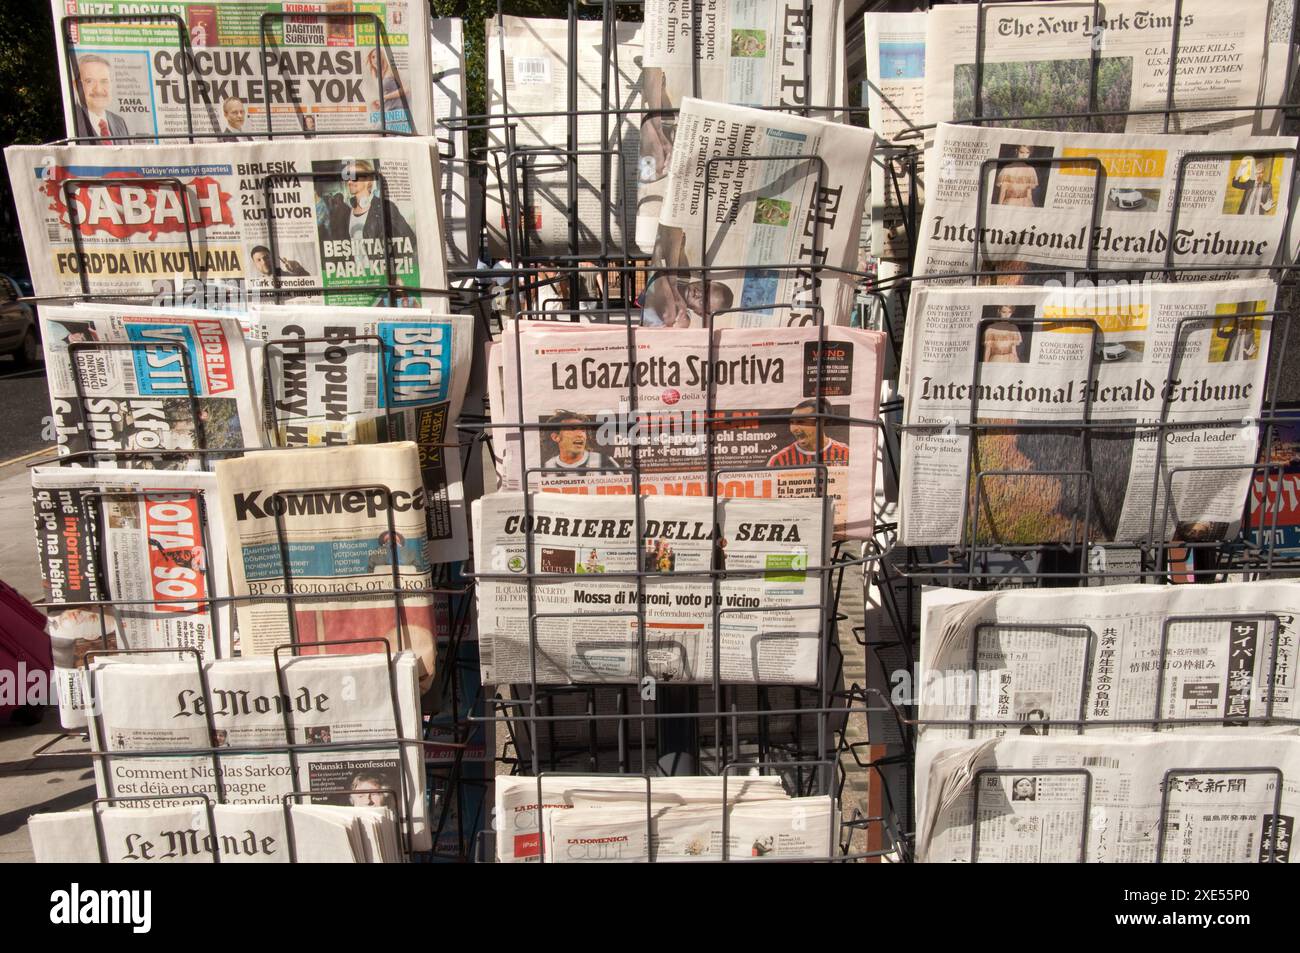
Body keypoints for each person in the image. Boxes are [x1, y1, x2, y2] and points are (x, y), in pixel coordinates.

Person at [320, 160, 417, 276]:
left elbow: (409, 240)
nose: (349, 181)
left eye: (355, 177)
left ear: (368, 181)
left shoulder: (384, 207)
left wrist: (394, 271)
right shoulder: (346, 212)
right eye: (348, 178)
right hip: (357, 277)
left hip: (380, 276)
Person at [767, 398, 850, 467]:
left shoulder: (847, 453)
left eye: (801, 422)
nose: (794, 428)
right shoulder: (779, 460)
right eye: (792, 422)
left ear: (821, 422)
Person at [73, 55, 130, 143]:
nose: (98, 89)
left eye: (104, 81)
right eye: (89, 81)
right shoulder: (71, 122)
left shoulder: (119, 122)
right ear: (76, 85)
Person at [542, 411, 608, 470]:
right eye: (572, 429)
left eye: (583, 430)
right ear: (556, 437)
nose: (580, 435)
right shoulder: (546, 467)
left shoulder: (604, 461)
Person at [367, 48, 409, 117]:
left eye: (378, 56)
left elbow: (406, 89)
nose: (375, 60)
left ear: (382, 57)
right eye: (373, 57)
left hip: (397, 110)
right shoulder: (376, 74)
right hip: (387, 109)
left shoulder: (391, 70)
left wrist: (384, 97)